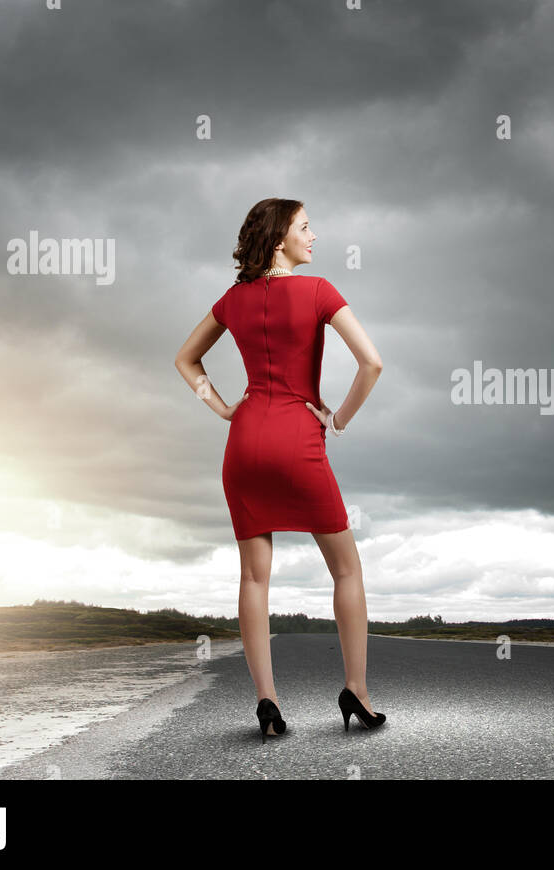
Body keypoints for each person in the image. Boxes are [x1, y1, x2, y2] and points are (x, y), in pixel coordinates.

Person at [174, 198, 386, 741]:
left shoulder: (232, 300)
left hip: (245, 442)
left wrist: (222, 406)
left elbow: (185, 359)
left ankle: (267, 703)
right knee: (345, 569)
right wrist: (336, 420)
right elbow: (372, 363)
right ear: (279, 240)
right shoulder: (319, 292)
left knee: (253, 576)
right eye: (305, 228)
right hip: (299, 438)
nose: (314, 236)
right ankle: (356, 690)